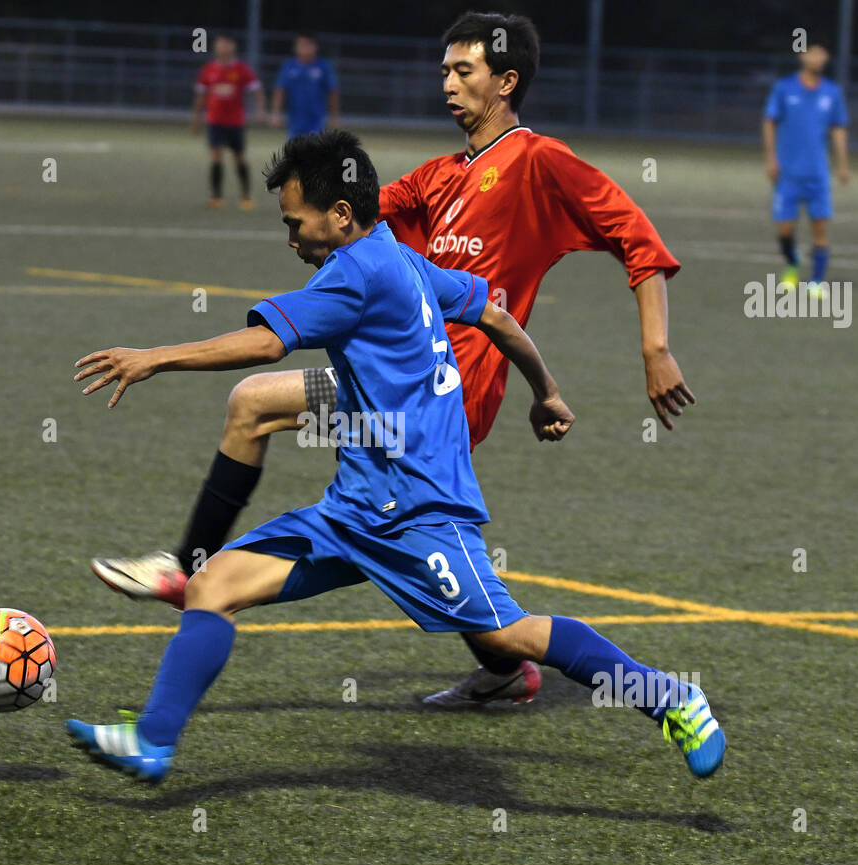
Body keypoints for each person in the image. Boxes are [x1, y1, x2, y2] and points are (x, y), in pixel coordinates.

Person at [67, 130, 725, 784]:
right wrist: (545, 392)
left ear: (341, 215)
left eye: (295, 223)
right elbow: (494, 315)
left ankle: (673, 699)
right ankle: (152, 742)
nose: (290, 238)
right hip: (352, 508)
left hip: (419, 510)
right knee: (210, 587)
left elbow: (268, 346)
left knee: (510, 637)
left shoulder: (354, 275)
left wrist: (153, 357)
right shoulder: (401, 259)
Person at [94, 12, 694, 710]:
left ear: (506, 81)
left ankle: (188, 570)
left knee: (257, 405)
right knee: (401, 534)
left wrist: (654, 348)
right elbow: (360, 212)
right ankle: (504, 665)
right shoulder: (443, 176)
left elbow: (636, 237)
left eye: (462, 70)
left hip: (448, 388)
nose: (447, 82)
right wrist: (309, 197)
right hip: (404, 379)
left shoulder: (540, 162)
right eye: (444, 69)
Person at [763, 41, 851, 295]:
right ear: (802, 55)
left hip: (817, 174)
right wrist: (771, 158)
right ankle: (793, 262)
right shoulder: (784, 88)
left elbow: (838, 129)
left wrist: (842, 165)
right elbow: (769, 121)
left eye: (823, 52)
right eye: (813, 52)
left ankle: (816, 280)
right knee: (785, 229)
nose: (819, 57)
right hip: (788, 174)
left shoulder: (832, 93)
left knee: (820, 227)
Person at [193, 34, 265, 210]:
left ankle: (246, 196)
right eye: (220, 44)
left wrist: (260, 110)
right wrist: (196, 118)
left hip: (235, 122)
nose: (224, 48)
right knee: (216, 157)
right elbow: (201, 96)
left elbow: (256, 90)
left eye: (227, 44)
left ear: (233, 47)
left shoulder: (241, 69)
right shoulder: (208, 70)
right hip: (214, 121)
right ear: (215, 48)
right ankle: (216, 197)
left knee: (239, 158)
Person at [270, 33, 340, 136]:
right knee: (295, 148)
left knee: (315, 148)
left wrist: (334, 117)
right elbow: (280, 90)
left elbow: (332, 92)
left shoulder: (324, 67)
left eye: (308, 45)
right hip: (294, 119)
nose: (305, 48)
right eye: (301, 45)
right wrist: (276, 114)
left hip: (316, 120)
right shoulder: (288, 66)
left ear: (316, 47)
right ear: (295, 48)